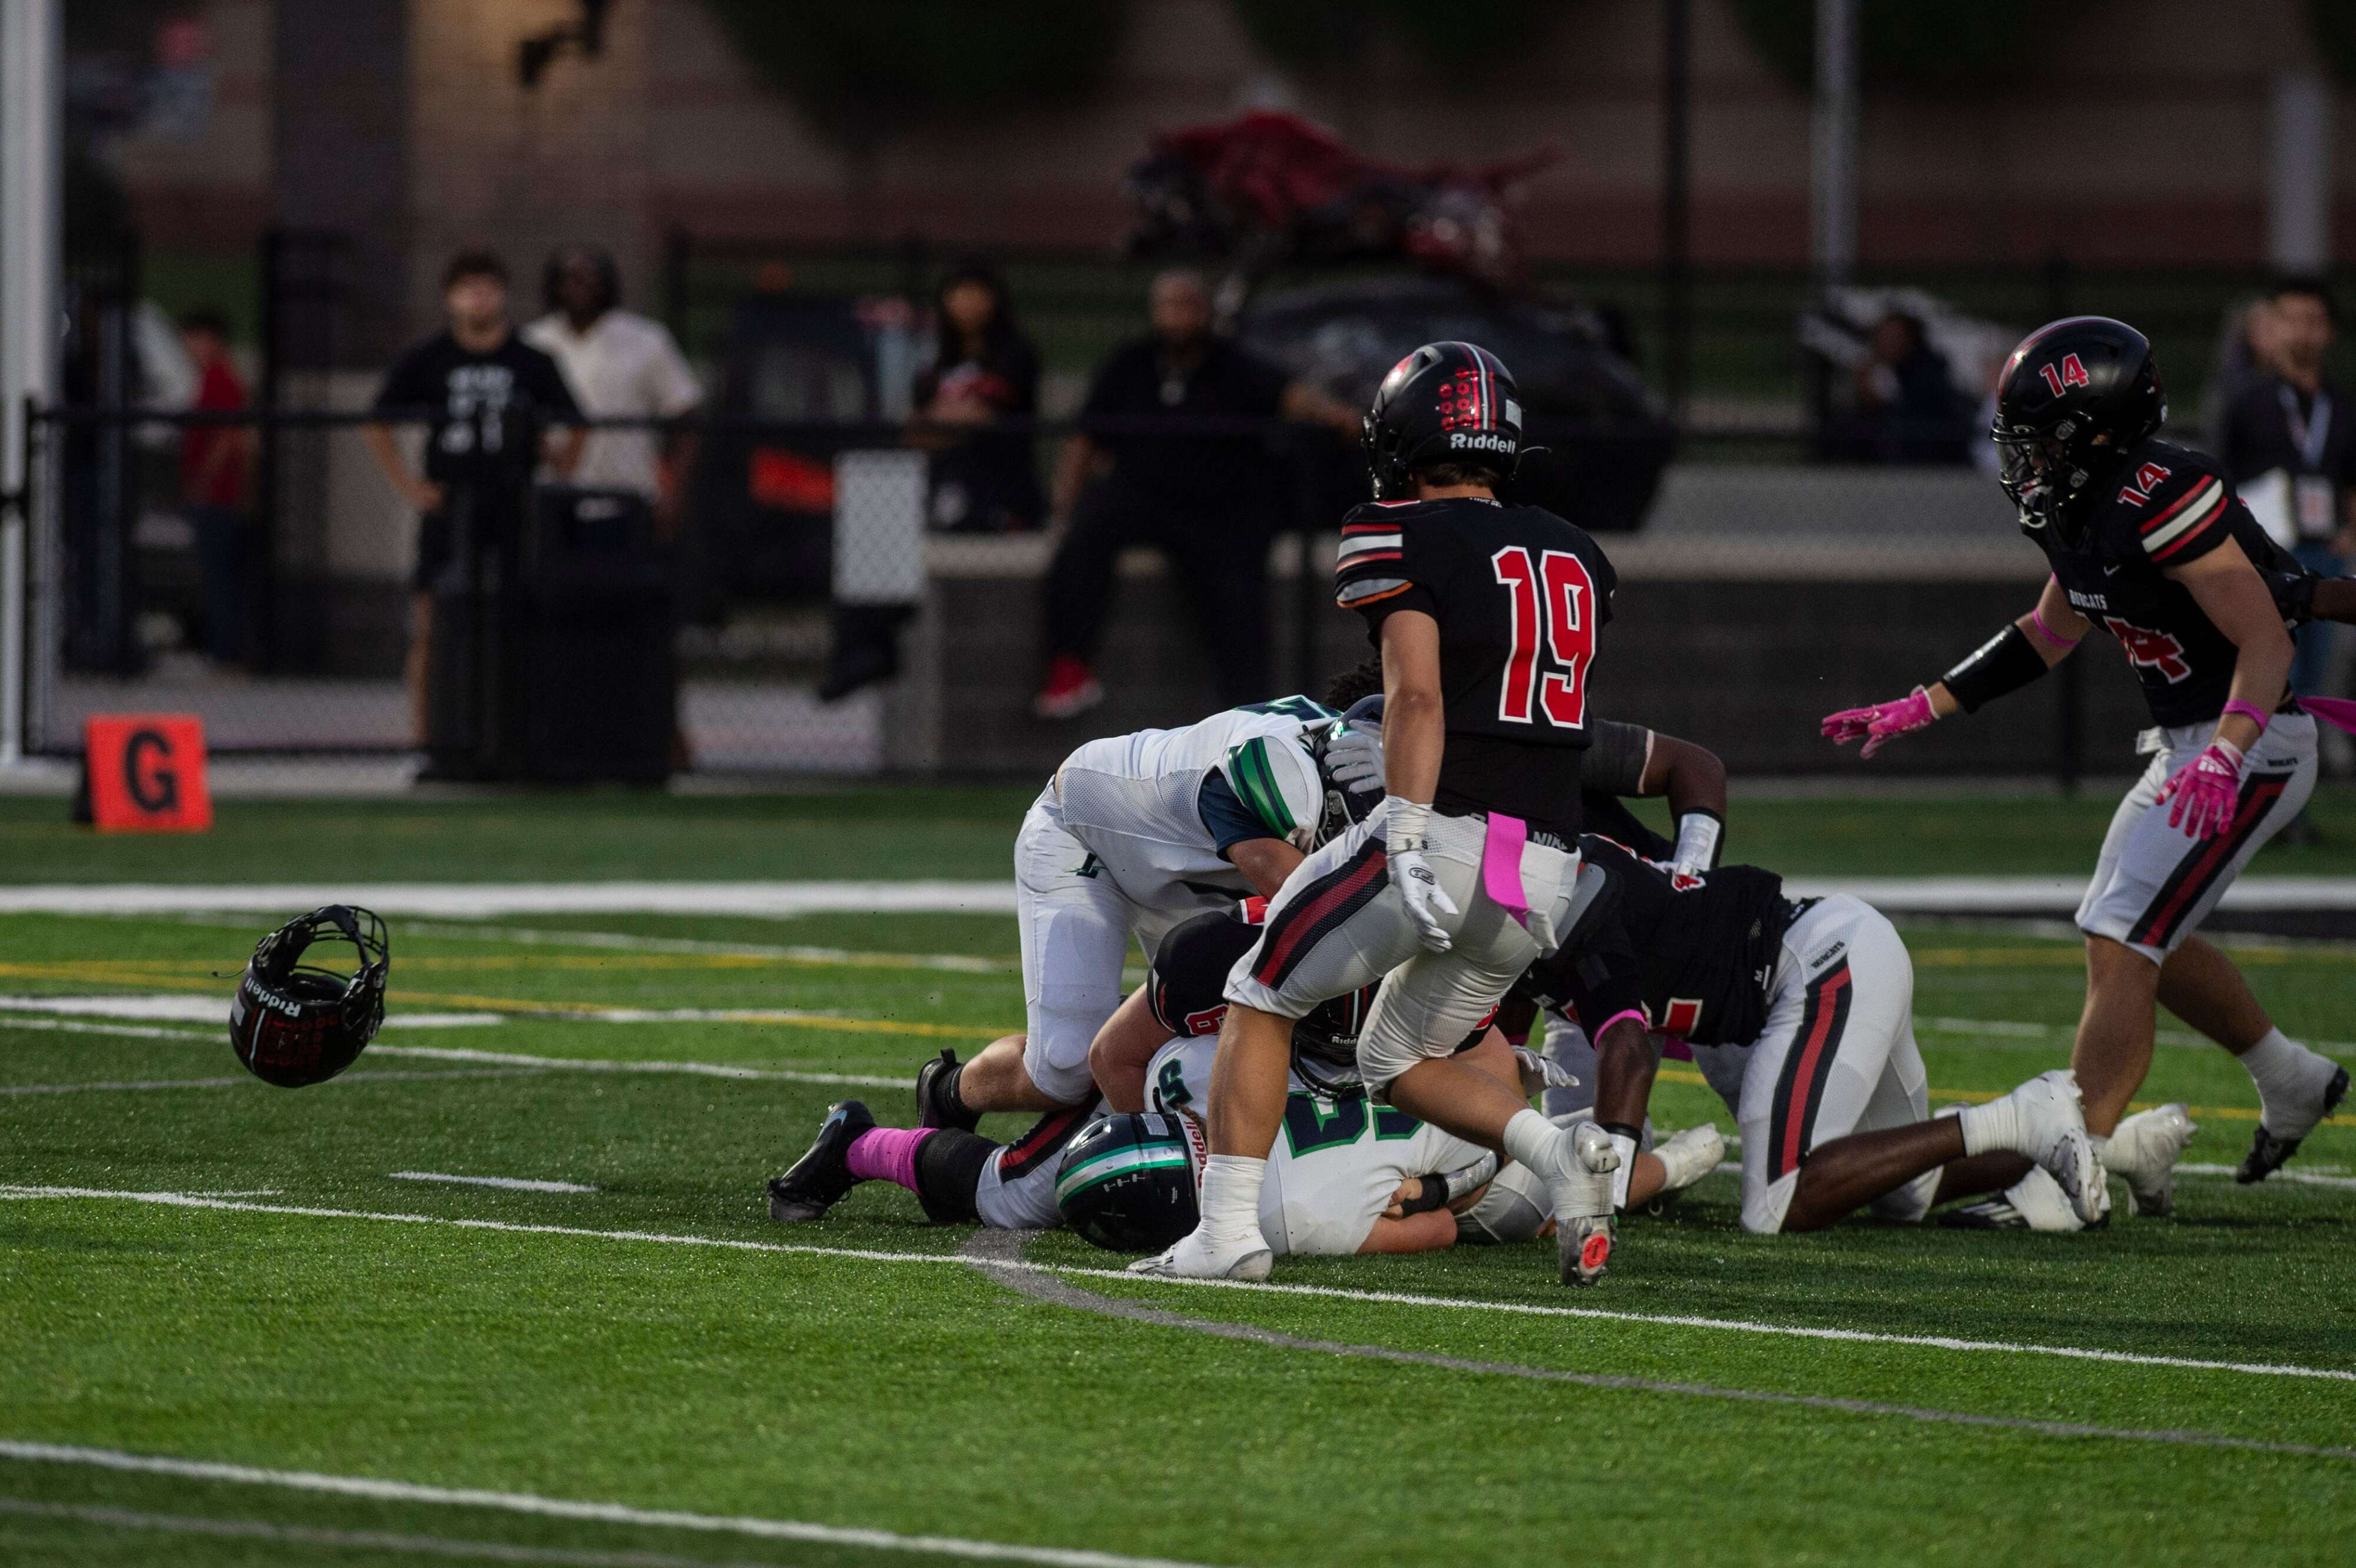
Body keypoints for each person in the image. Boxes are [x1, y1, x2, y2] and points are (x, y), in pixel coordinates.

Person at [1823, 316, 2348, 1206]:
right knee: (2136, 928)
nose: (2022, 458)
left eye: (2037, 439)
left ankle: (2080, 1156)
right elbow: (2049, 629)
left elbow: (2266, 639)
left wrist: (2227, 754)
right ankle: (2291, 1076)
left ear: (2097, 433)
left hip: (2252, 740)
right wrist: (1927, 702)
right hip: (2190, 746)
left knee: (2124, 931)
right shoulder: (2079, 502)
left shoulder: (2159, 493)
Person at [1137, 341, 1624, 1289]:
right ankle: (1561, 1153)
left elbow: (1416, 696)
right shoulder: (1582, 552)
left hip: (1444, 830)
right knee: (1395, 1055)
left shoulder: (1394, 532)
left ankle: (1226, 1233)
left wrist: (1402, 829)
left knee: (1259, 991)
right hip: (1542, 868)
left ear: (1400, 441)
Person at [769, 906, 1520, 1259]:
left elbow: (1490, 1078)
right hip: (1176, 1080)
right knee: (1023, 1182)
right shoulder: (1216, 975)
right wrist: (1129, 1136)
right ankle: (911, 1113)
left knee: (1039, 1190)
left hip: (1210, 1092)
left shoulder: (1425, 937)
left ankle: (876, 1135)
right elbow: (1112, 1058)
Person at [909, 693, 1375, 1130]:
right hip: (1087, 835)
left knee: (1202, 1044)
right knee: (1064, 1066)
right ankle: (949, 1091)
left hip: (1194, 874)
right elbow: (1316, 910)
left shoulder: (1347, 764)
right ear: (1335, 799)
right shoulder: (1276, 776)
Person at [1034, 267, 1358, 719]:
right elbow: (1084, 439)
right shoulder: (1130, 364)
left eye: (1187, 306)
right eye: (1168, 306)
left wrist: (1341, 417)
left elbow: (1292, 396)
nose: (1177, 317)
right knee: (1083, 540)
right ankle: (1069, 669)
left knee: (1237, 592)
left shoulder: (1233, 364)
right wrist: (1063, 507)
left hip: (1216, 509)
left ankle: (1249, 712)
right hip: (1142, 498)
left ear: (1205, 312)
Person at [365, 249, 585, 747]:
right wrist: (410, 485)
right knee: (430, 623)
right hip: (450, 504)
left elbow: (577, 421)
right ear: (450, 298)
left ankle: (519, 733)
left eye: (487, 288)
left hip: (513, 504)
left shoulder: (531, 360)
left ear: (503, 295)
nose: (478, 299)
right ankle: (425, 738)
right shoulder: (429, 358)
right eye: (468, 289)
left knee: (521, 620)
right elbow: (378, 421)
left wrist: (560, 461)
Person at [2216, 277, 2356, 707]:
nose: (2302, 332)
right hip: (2265, 554)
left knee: (2319, 673)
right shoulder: (2245, 401)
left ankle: (2310, 742)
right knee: (2270, 664)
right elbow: (2219, 477)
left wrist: (2351, 534)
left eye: (2313, 321)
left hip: (2325, 551)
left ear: (2330, 331)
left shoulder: (2342, 406)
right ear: (2272, 326)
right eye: (2291, 320)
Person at [522, 245, 703, 535]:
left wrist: (674, 493)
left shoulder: (646, 339)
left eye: (590, 276)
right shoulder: (533, 342)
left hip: (627, 498)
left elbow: (686, 414)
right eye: (570, 277)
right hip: (551, 500)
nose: (580, 286)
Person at [910, 260, 1044, 534]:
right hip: (945, 485)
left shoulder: (1015, 354)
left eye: (976, 292)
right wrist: (959, 422)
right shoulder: (934, 364)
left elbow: (984, 418)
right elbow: (914, 432)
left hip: (1003, 489)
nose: (967, 302)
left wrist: (945, 422)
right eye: (959, 292)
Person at [176, 307, 252, 667]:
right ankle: (221, 648)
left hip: (217, 495)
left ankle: (226, 652)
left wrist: (204, 481)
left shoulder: (222, 379)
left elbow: (229, 436)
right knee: (215, 574)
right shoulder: (209, 378)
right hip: (211, 492)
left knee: (219, 574)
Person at [1848, 310, 1968, 464]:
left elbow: (1918, 421)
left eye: (1894, 336)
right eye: (1883, 336)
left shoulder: (1928, 375)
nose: (1887, 343)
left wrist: (1880, 403)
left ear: (1910, 339)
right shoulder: (1885, 371)